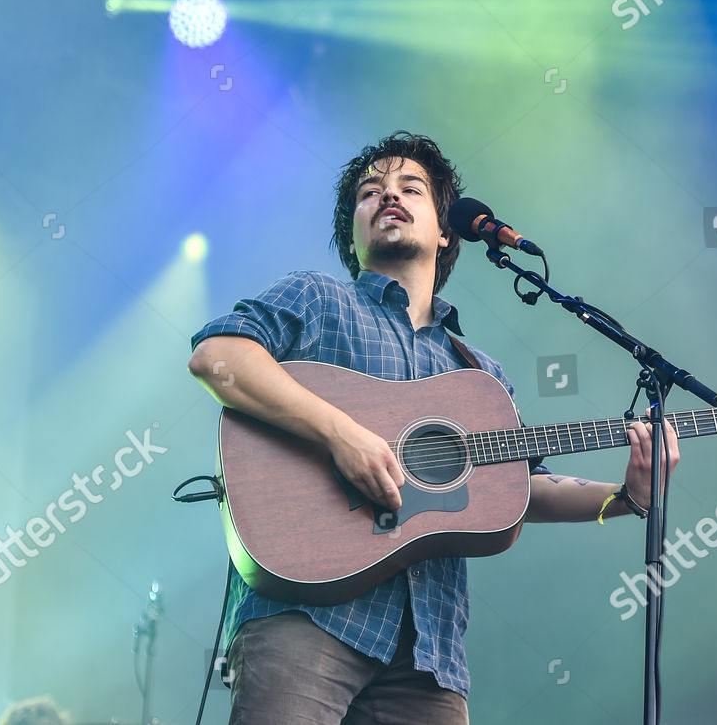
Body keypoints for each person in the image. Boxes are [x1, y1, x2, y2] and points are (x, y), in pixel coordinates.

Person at [187, 131, 680, 725]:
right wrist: (343, 435)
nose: (388, 195)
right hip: (306, 617)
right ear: (355, 233)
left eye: (409, 187)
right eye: (371, 192)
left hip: (431, 655)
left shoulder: (479, 376)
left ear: (446, 231)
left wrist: (626, 497)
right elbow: (216, 356)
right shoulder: (318, 300)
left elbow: (523, 488)